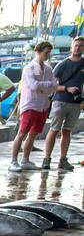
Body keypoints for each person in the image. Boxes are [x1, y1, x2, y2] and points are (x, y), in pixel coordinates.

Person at [9, 41, 57, 172]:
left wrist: (45, 86)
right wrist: (47, 86)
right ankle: (13, 160)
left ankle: (25, 159)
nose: (47, 55)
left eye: (49, 53)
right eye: (46, 52)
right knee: (22, 132)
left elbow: (53, 85)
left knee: (33, 133)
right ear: (39, 52)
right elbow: (34, 85)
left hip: (43, 105)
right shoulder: (29, 68)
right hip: (30, 104)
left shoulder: (48, 69)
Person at [41, 35, 84, 172]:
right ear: (71, 47)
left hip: (76, 103)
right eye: (76, 45)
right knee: (54, 130)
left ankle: (63, 159)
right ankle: (46, 159)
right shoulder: (62, 64)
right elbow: (51, 85)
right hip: (60, 101)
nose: (77, 48)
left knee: (67, 131)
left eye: (80, 46)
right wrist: (67, 89)